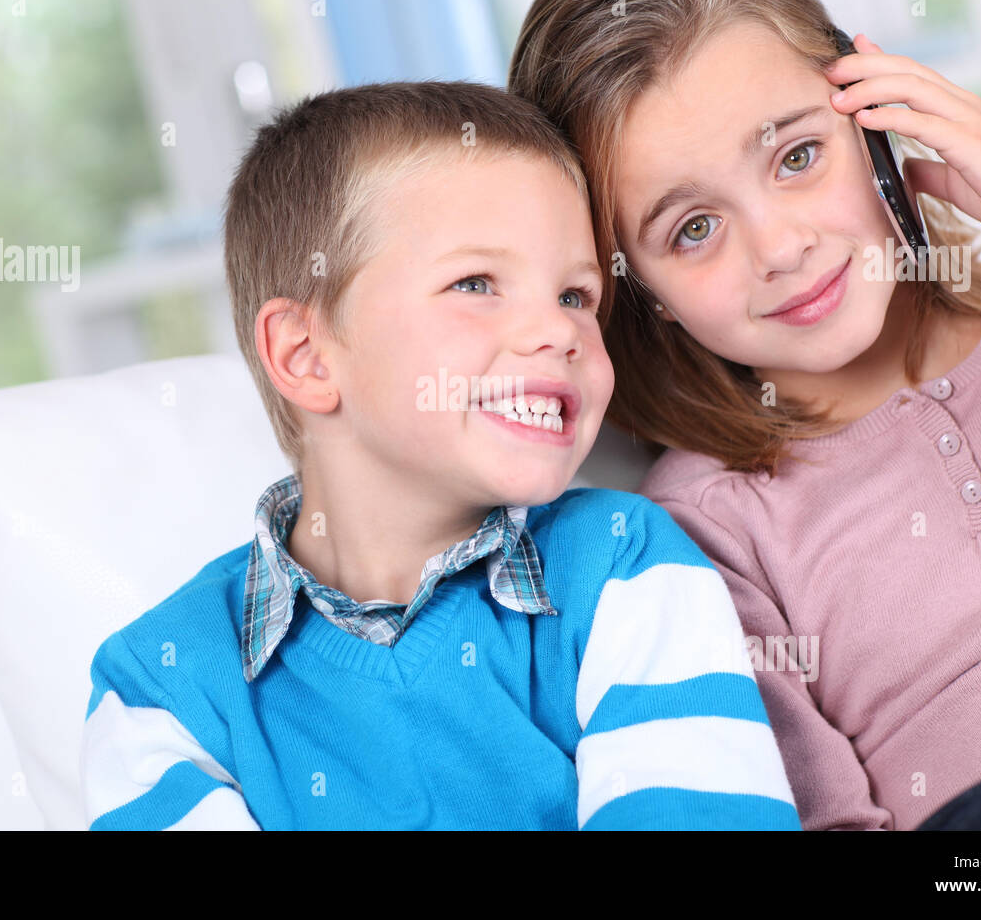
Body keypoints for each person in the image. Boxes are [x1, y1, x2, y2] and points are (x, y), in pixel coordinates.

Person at [78, 80, 800, 830]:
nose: (559, 332)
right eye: (477, 283)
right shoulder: (158, 689)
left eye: (576, 296)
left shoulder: (626, 565)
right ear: (306, 355)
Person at [508, 0, 981, 829]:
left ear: (876, 124)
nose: (781, 247)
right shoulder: (705, 530)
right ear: (633, 288)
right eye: (693, 229)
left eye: (797, 157)